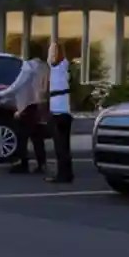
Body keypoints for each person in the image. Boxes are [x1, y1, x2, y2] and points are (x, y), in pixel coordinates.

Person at [0, 55, 49, 174]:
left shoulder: (28, 67)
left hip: (27, 106)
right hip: (40, 104)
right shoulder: (44, 67)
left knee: (22, 136)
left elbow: (17, 86)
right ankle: (41, 164)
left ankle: (23, 163)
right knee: (37, 137)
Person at [47, 41, 74, 183]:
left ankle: (64, 175)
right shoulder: (57, 68)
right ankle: (66, 173)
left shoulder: (61, 67)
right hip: (60, 112)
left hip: (59, 113)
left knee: (61, 147)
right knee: (63, 146)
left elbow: (54, 59)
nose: (51, 54)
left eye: (53, 51)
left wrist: (55, 47)